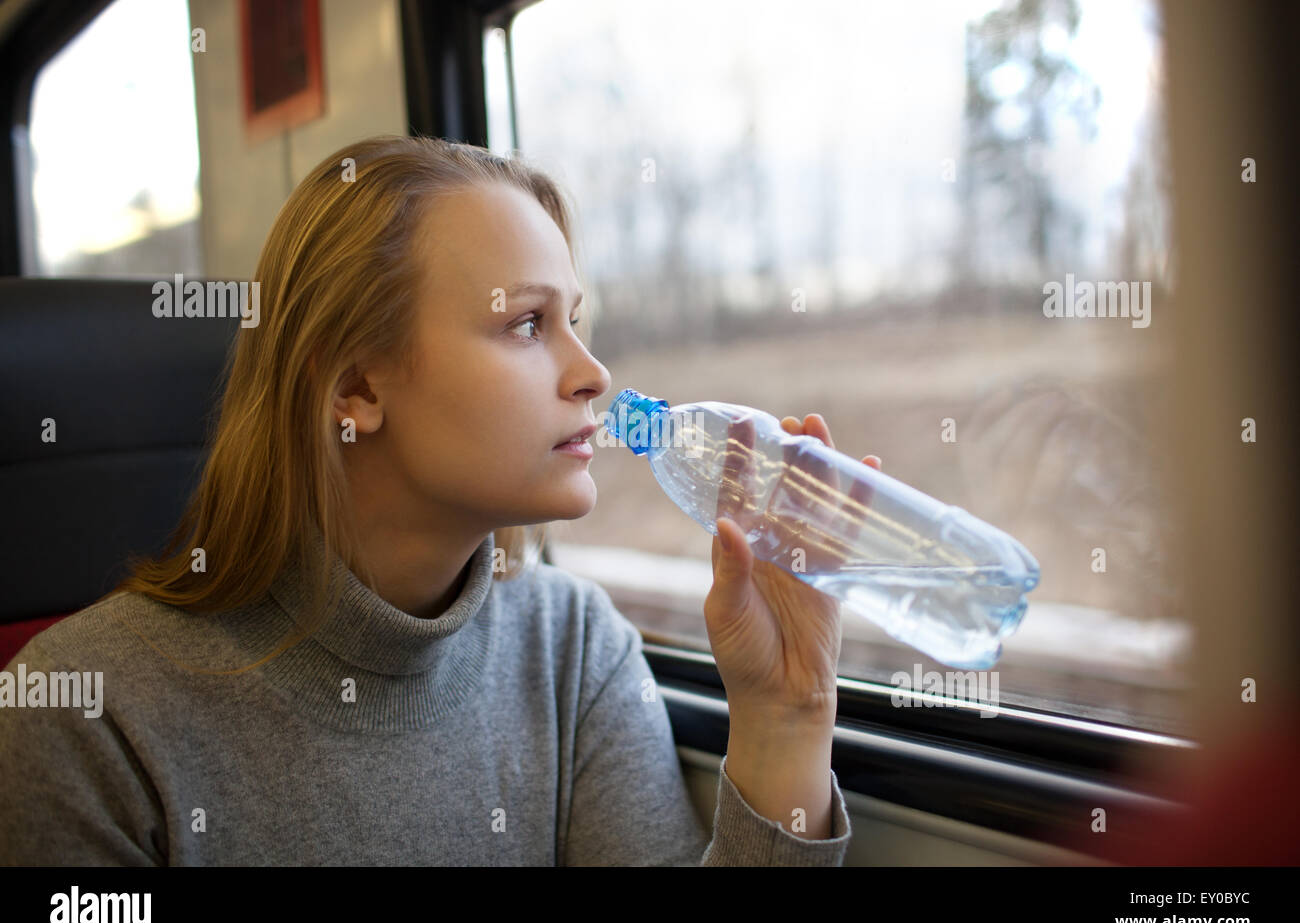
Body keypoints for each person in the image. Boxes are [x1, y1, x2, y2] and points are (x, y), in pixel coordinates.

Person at [0, 135, 878, 865]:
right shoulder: (86, 717)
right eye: (527, 324)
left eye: (577, 318)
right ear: (355, 389)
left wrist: (785, 715)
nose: (594, 373)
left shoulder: (572, 646)